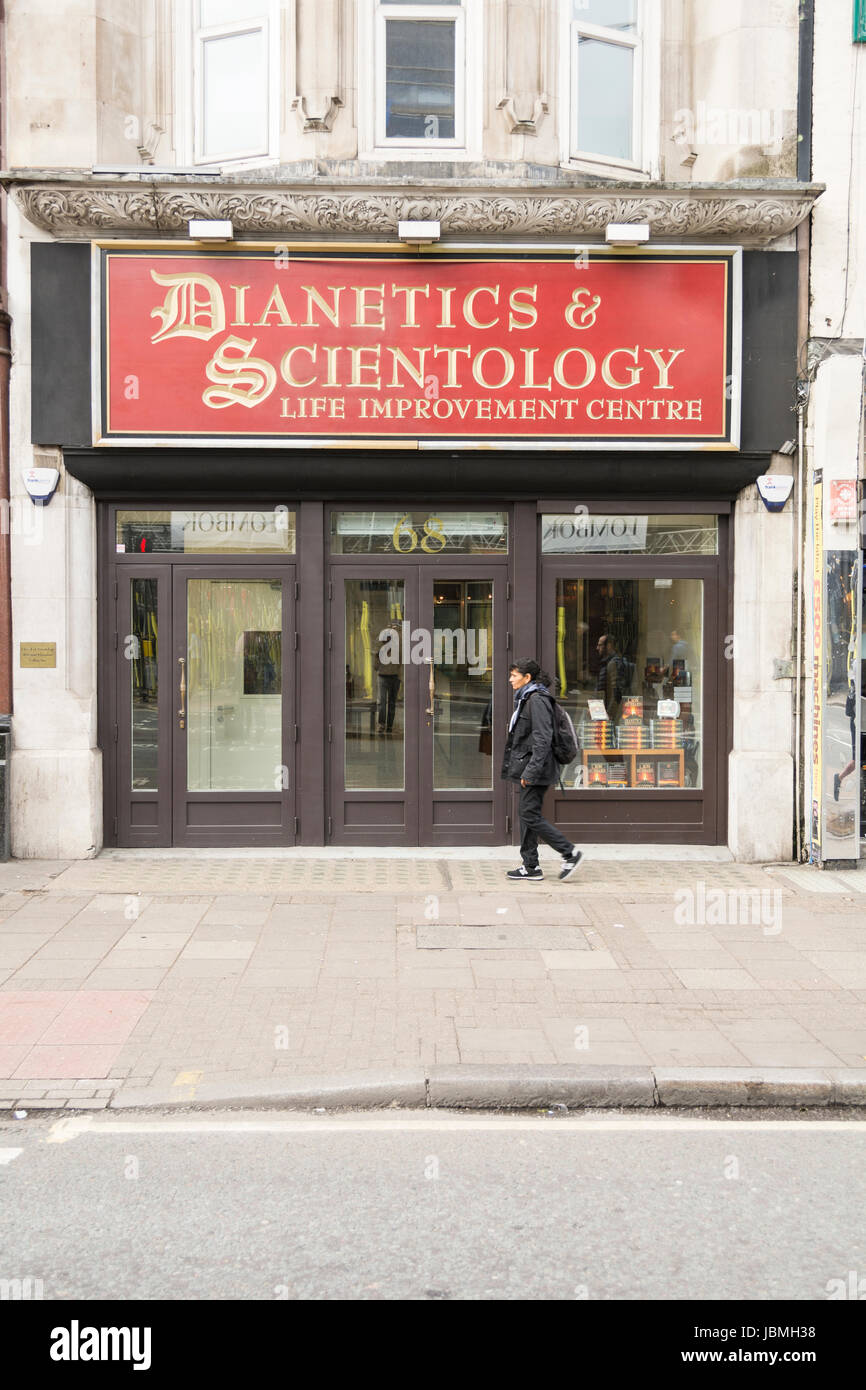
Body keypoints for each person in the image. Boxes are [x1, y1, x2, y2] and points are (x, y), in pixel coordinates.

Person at [501, 659, 583, 882]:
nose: (510, 679)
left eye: (514, 675)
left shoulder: (536, 700)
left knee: (528, 813)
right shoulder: (528, 697)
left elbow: (543, 739)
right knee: (527, 813)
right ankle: (531, 866)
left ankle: (569, 853)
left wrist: (530, 772)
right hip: (532, 767)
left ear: (527, 678)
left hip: (538, 768)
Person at [376, 626, 401, 734]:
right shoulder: (381, 650)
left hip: (394, 677)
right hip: (383, 677)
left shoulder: (397, 650)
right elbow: (375, 667)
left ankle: (389, 725)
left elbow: (401, 664)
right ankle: (382, 724)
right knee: (383, 702)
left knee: (391, 703)